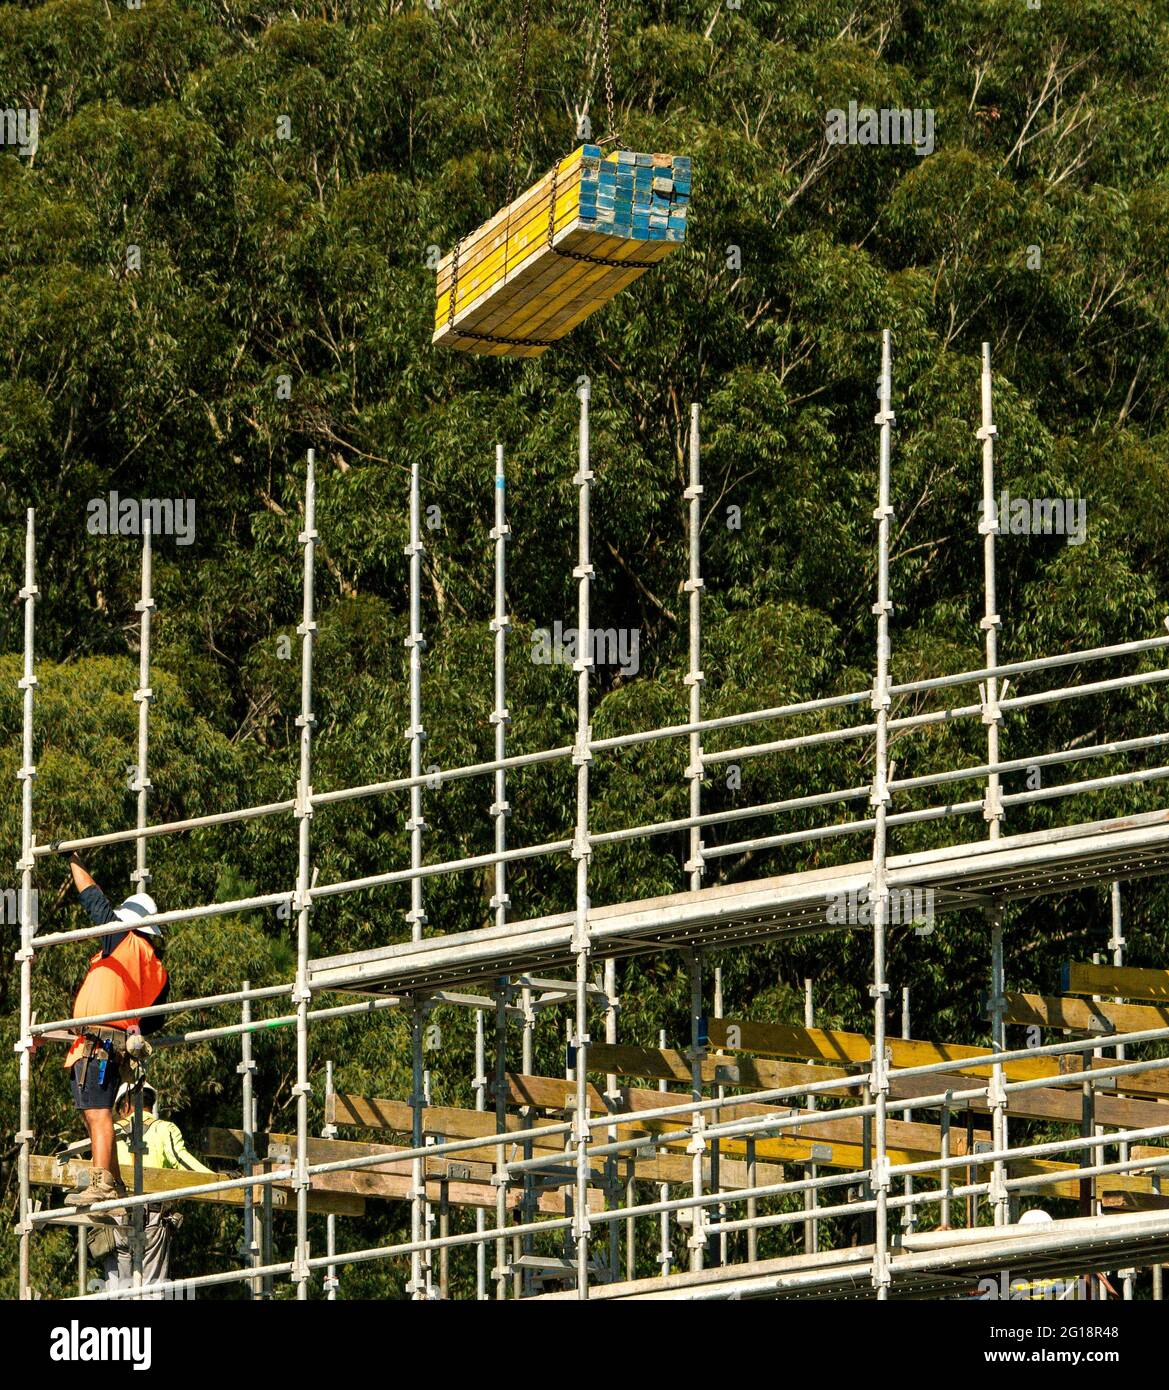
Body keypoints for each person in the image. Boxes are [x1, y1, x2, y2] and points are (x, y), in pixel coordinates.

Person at [53, 844, 168, 1213]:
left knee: (97, 1115)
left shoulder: (124, 940)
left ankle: (101, 1184)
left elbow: (93, 899)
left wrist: (73, 861)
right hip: (108, 1044)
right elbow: (153, 1020)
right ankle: (114, 1183)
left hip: (97, 1047)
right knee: (97, 1111)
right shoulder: (154, 966)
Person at [96, 1082, 213, 1293]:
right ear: (151, 1103)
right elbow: (182, 1160)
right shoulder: (164, 1129)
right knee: (151, 1289)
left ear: (124, 1106)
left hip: (116, 1216)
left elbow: (97, 1171)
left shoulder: (109, 1132)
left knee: (117, 1291)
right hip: (152, 1216)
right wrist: (217, 1180)